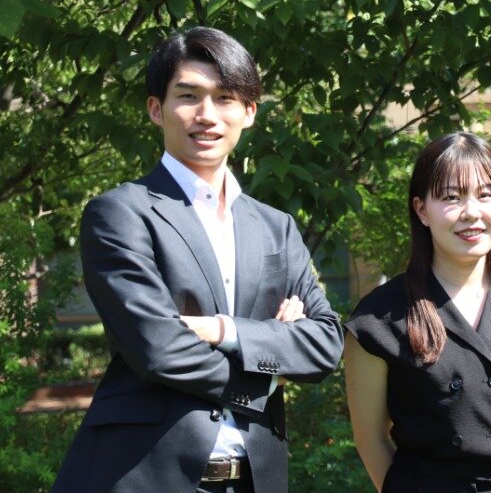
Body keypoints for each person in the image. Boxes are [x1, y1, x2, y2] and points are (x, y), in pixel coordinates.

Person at [52, 27, 345, 493]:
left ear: (249, 112)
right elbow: (157, 348)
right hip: (143, 475)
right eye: (188, 96)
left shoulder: (276, 227)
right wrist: (269, 368)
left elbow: (326, 343)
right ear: (156, 108)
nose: (207, 115)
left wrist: (223, 330)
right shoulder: (121, 214)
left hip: (255, 478)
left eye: (225, 98)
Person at [344, 132, 491, 492]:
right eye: (451, 197)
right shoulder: (378, 319)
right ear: (421, 209)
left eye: (485, 194)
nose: (471, 213)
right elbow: (371, 441)